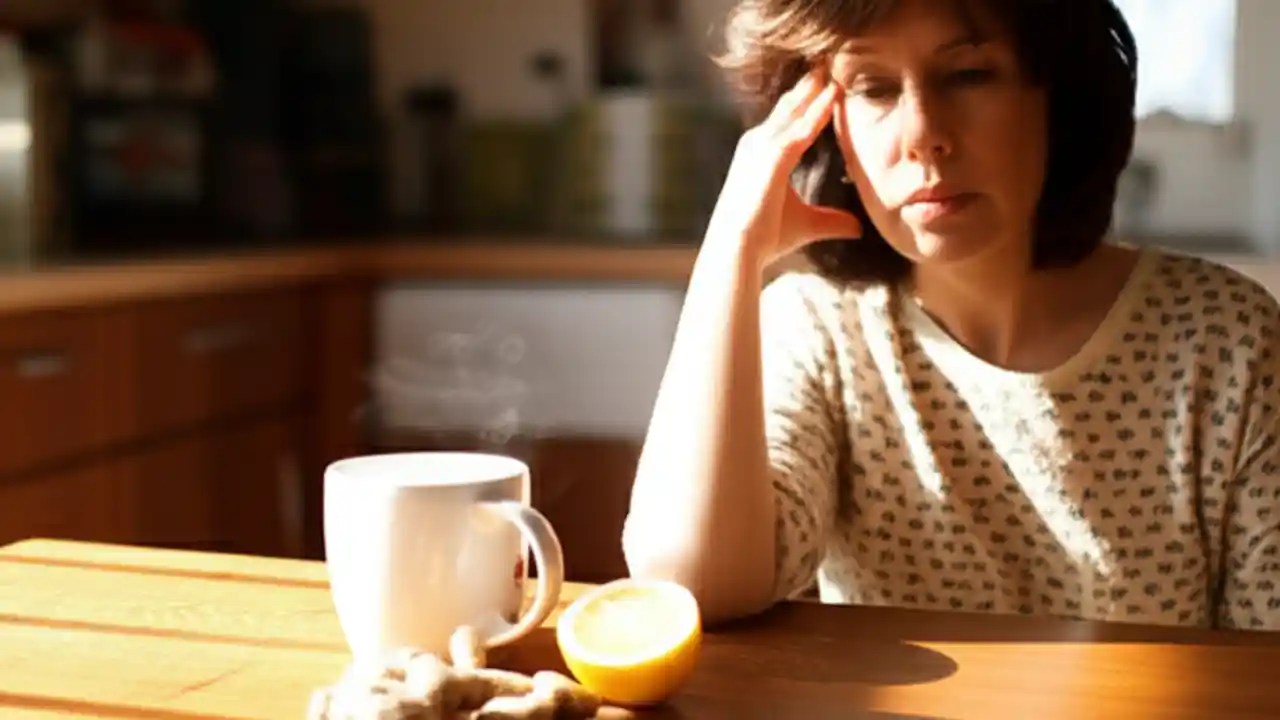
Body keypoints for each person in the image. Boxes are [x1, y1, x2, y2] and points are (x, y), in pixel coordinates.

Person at [621, 0, 1280, 632]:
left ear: (1059, 96)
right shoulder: (819, 329)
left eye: (968, 75)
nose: (924, 136)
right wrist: (733, 241)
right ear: (824, 127)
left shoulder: (1228, 343)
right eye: (874, 88)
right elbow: (690, 585)